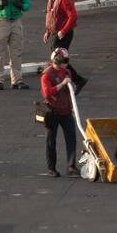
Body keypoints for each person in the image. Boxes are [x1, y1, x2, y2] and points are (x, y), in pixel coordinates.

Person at [42, 0, 88, 90]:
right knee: (58, 57)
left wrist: (63, 31)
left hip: (63, 33)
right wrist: (48, 31)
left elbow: (72, 16)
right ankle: (72, 79)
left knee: (58, 58)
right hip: (56, 32)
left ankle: (77, 80)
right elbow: (51, 16)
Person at [40, 47, 79, 177]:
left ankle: (71, 166)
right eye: (65, 60)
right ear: (58, 60)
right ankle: (51, 168)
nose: (67, 62)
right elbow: (47, 93)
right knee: (51, 140)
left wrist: (72, 87)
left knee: (72, 137)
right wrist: (62, 84)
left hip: (66, 110)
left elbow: (70, 90)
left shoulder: (66, 72)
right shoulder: (47, 74)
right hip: (53, 111)